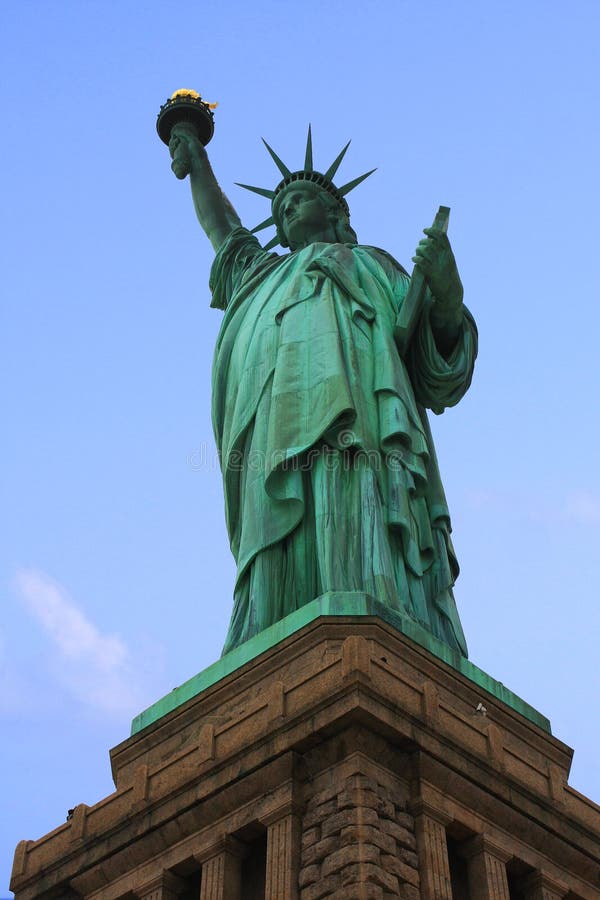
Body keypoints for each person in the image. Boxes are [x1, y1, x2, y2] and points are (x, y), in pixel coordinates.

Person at [168, 124, 477, 657]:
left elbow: (439, 366)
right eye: (281, 202)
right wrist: (197, 161)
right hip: (272, 430)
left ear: (338, 213)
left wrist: (447, 296)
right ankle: (268, 627)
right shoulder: (259, 276)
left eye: (301, 196)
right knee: (278, 536)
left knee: (356, 510)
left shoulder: (374, 265)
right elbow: (222, 229)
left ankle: (377, 608)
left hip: (363, 426)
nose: (287, 206)